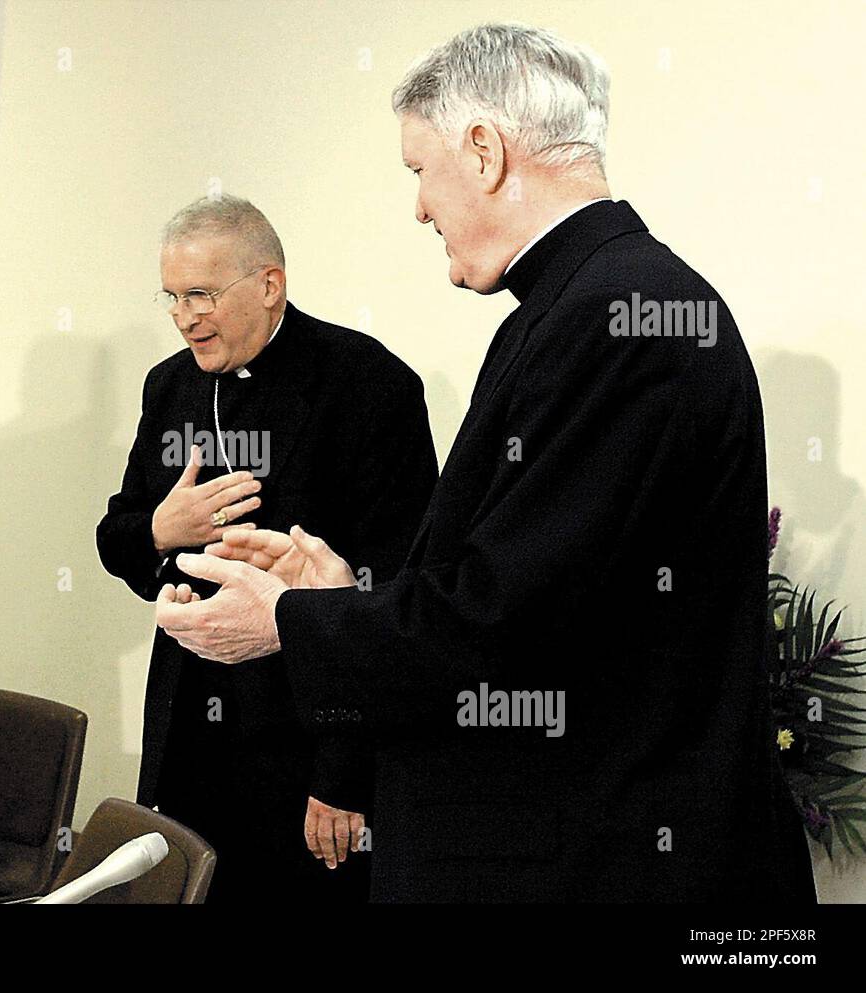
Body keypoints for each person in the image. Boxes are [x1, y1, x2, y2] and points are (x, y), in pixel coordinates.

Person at [156, 24, 817, 902]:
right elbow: (516, 587)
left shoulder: (623, 320)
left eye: (418, 172)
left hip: (596, 861)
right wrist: (343, 596)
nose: (419, 208)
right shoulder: (589, 302)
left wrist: (292, 621)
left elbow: (501, 625)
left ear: (484, 150)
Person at [97, 195, 437, 902]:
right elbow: (117, 539)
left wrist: (343, 776)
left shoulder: (369, 384)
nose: (184, 316)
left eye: (202, 295)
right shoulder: (168, 385)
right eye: (172, 296)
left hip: (304, 734)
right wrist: (163, 531)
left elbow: (389, 597)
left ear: (270, 285)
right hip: (187, 723)